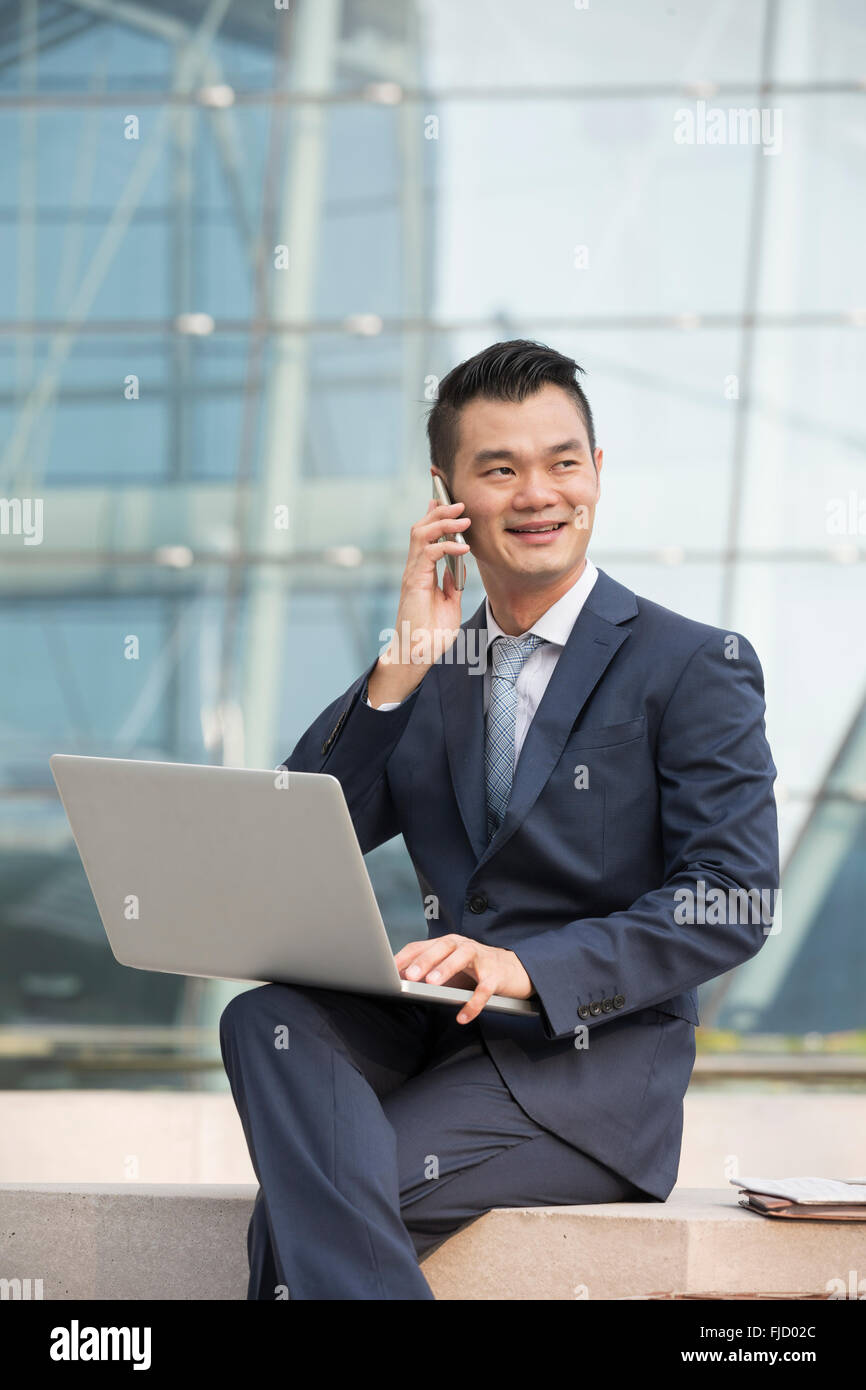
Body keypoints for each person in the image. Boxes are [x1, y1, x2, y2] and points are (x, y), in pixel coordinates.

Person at [220, 338, 779, 1300]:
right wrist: (400, 665)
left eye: (563, 462)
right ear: (447, 495)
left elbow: (733, 899)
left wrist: (528, 966)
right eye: (500, 469)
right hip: (441, 1040)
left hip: (583, 1078)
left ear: (597, 474)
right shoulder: (433, 666)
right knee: (264, 1016)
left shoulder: (692, 666)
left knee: (296, 1223)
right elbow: (297, 836)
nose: (539, 494)